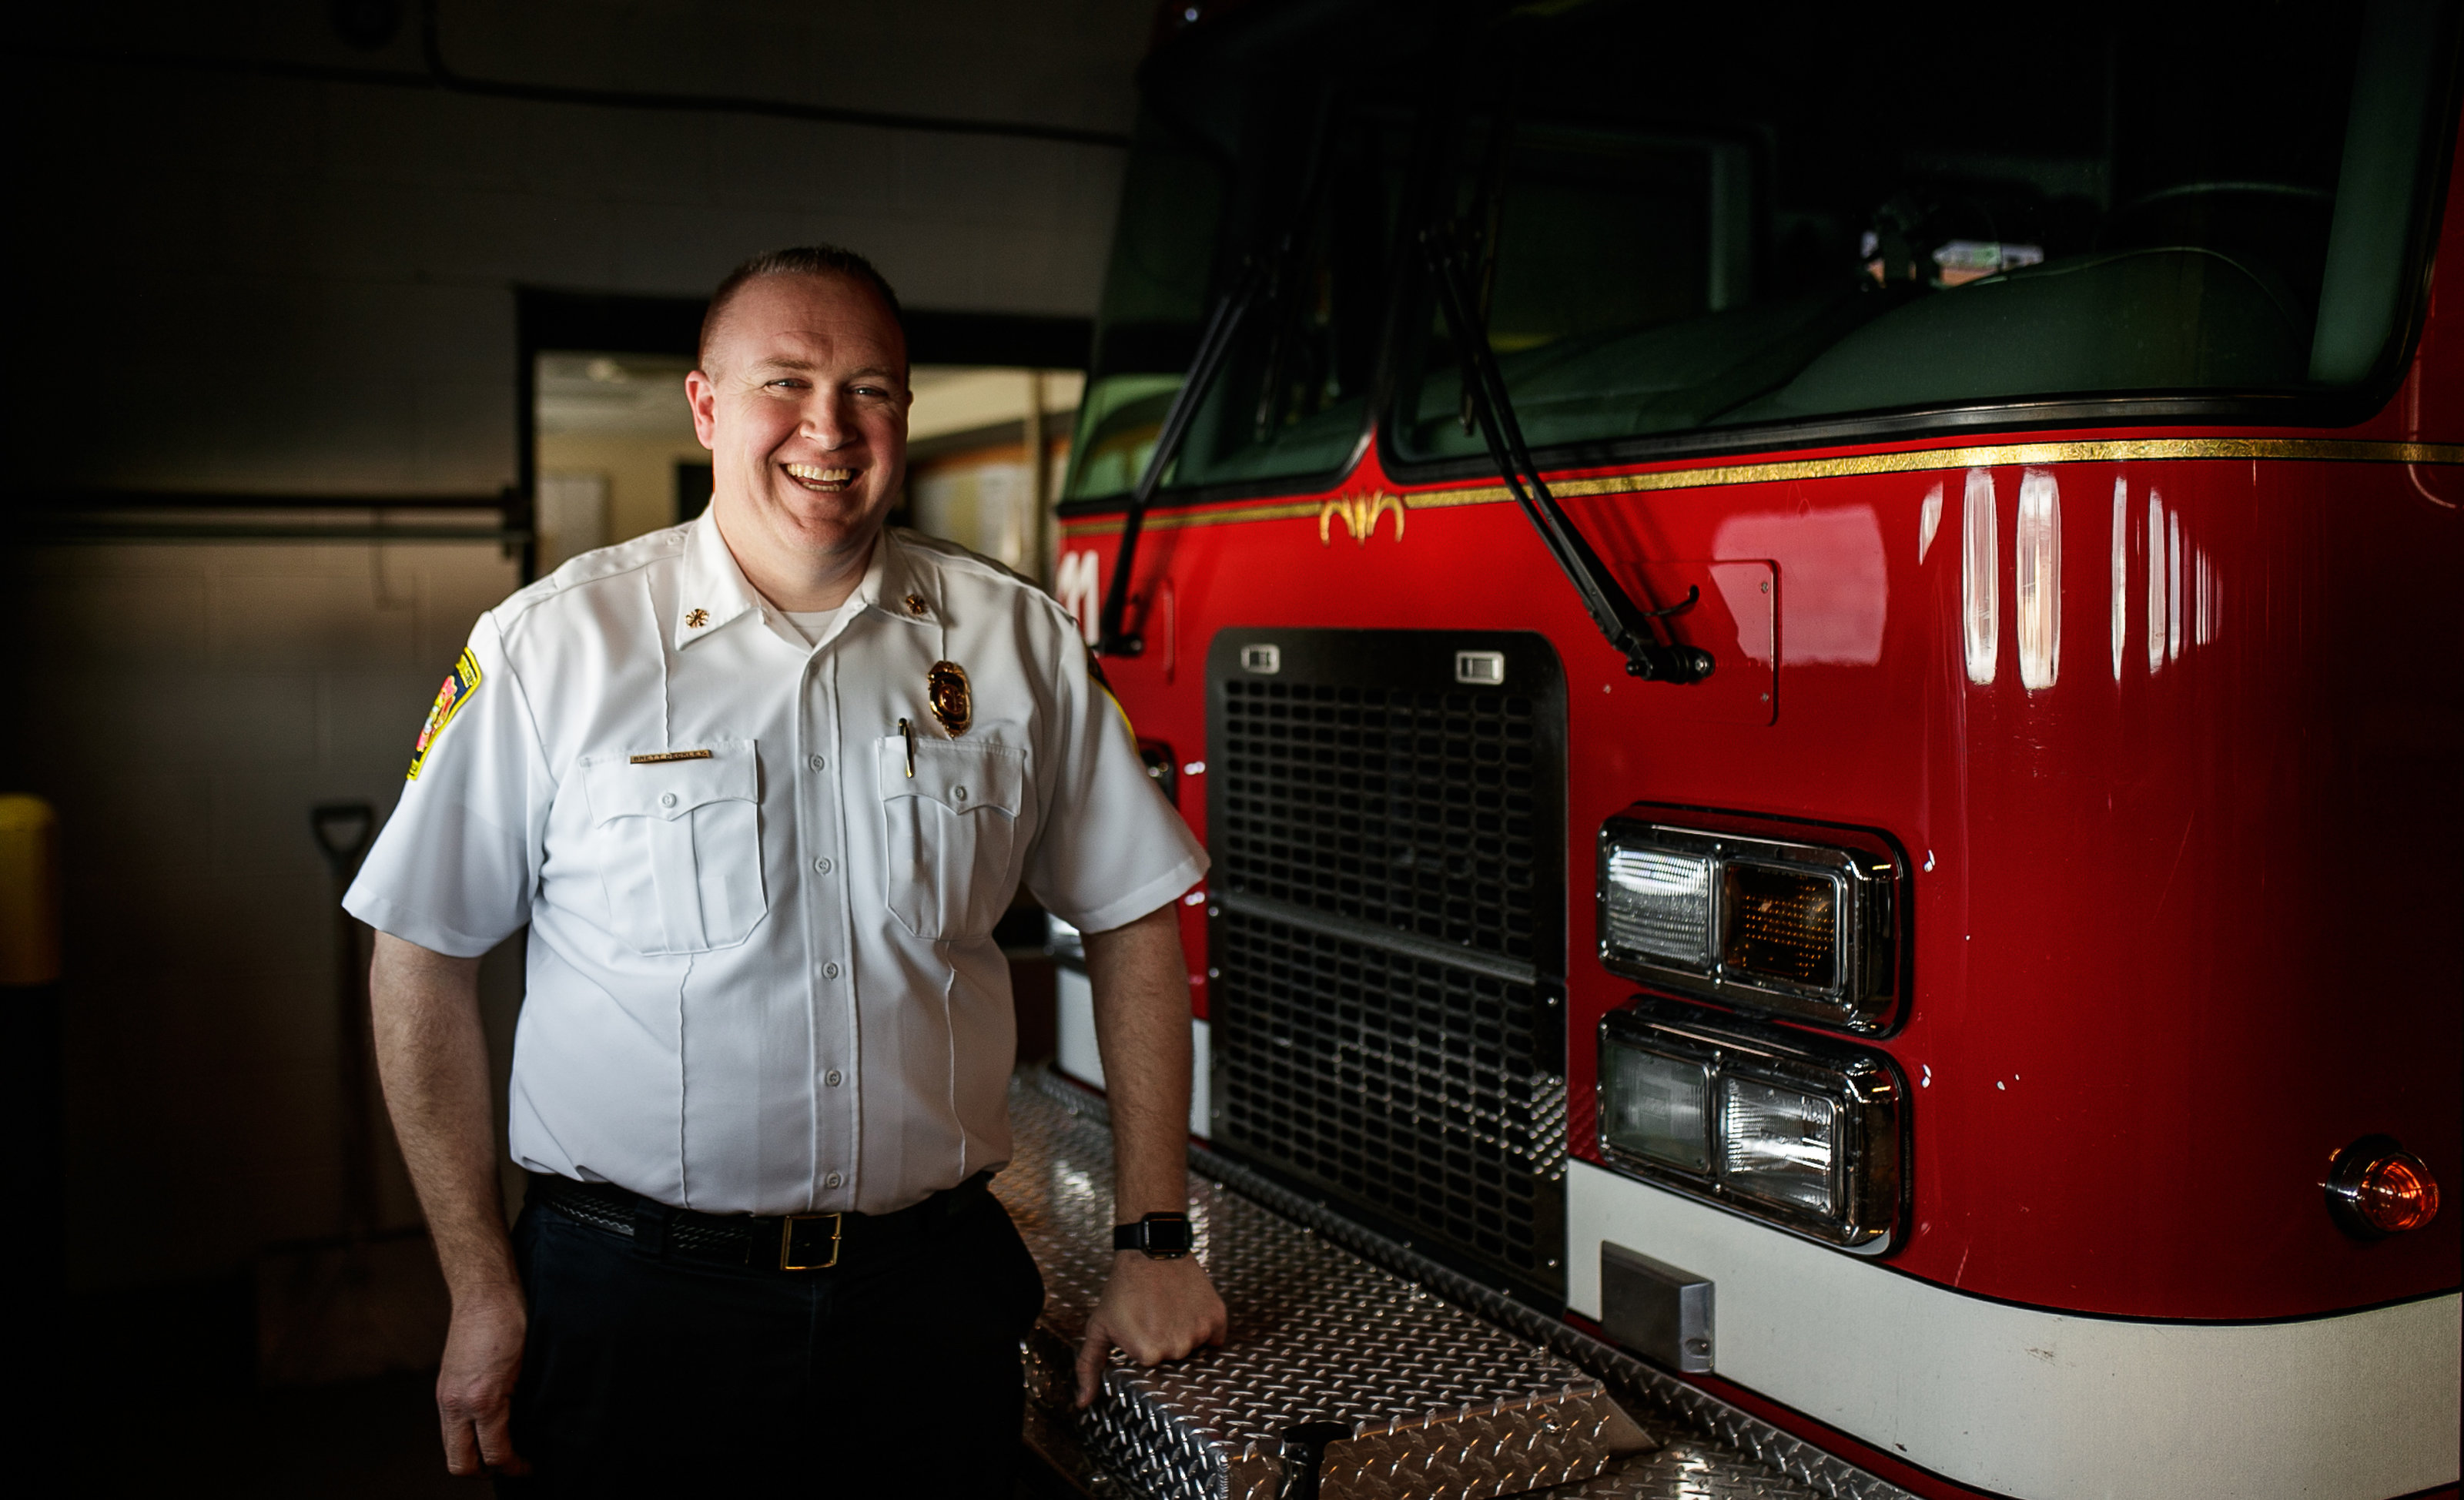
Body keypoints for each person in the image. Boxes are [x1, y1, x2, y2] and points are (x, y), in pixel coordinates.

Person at [346, 245, 1227, 1490]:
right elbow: (417, 958)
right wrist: (479, 1282)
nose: (831, 426)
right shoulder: (560, 646)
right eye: (788, 382)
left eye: (872, 388)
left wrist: (1151, 1237)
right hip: (631, 1310)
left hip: (928, 1305)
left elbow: (1136, 918)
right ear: (706, 405)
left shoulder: (1012, 641)